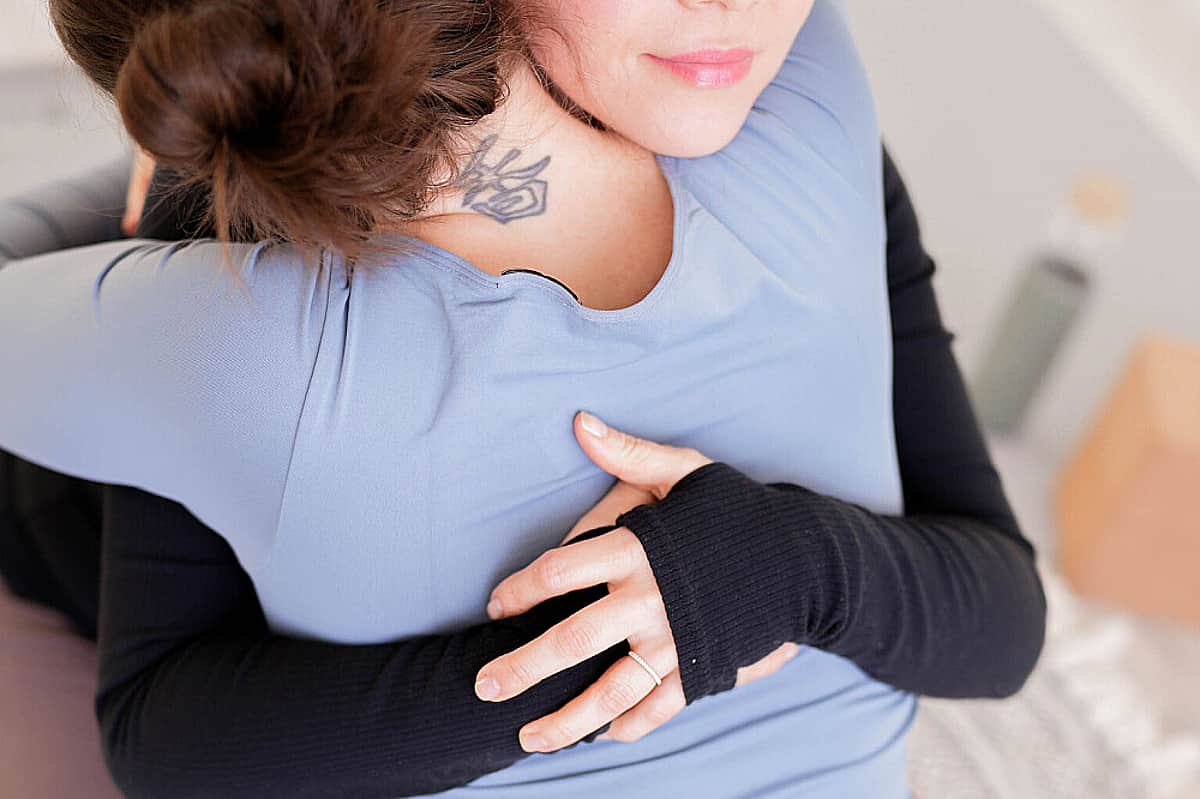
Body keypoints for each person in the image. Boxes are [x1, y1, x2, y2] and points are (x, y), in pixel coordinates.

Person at [0, 0, 1047, 796]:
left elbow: (163, 735)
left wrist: (757, 584)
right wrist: (685, 619)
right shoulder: (811, 103)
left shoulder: (221, 333)